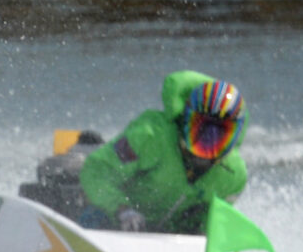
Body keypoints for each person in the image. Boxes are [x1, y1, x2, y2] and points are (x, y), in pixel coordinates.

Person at [78, 71, 248, 234]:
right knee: (94, 215)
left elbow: (211, 221)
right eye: (201, 129)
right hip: (114, 219)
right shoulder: (151, 135)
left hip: (168, 236)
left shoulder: (233, 176)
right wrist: (122, 209)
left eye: (220, 134)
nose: (209, 141)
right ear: (184, 120)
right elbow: (95, 171)